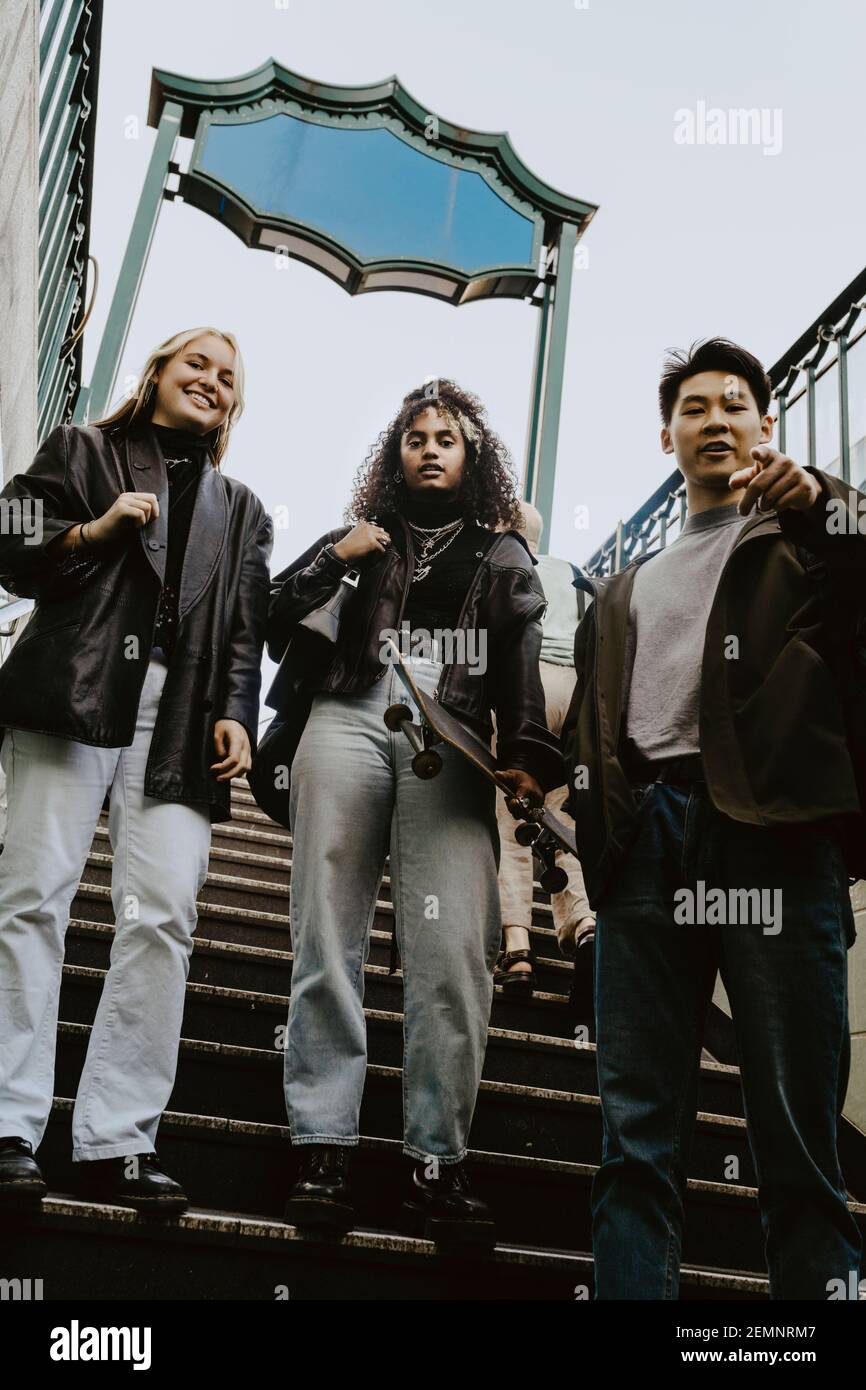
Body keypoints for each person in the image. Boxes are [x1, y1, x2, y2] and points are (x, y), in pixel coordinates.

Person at [563, 337, 865, 1300]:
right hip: (647, 847)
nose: (717, 419)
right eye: (695, 408)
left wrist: (821, 502)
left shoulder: (804, 544)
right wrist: (600, 841)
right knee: (634, 1142)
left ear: (765, 428)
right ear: (668, 437)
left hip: (771, 841)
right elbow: (592, 732)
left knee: (798, 1142)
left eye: (736, 404)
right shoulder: (621, 589)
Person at [265, 380, 563, 1247]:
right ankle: (322, 1145)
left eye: (447, 438)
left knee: (452, 951)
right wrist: (337, 555)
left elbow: (519, 659)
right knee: (326, 928)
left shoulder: (503, 550)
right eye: (414, 438)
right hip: (349, 705)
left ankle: (437, 1160)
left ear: (473, 458)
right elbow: (272, 615)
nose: (430, 448)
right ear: (394, 455)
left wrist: (527, 754)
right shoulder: (361, 539)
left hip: (453, 724)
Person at [0, 328, 272, 1213]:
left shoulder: (241, 508)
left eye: (228, 377)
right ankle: (9, 1124)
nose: (212, 380)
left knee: (161, 917)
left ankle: (119, 1137)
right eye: (196, 361)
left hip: (179, 722)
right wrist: (92, 528)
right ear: (156, 372)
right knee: (34, 895)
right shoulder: (84, 448)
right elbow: (11, 541)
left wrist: (236, 712)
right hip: (75, 687)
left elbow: (241, 630)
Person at [493, 501, 595, 996]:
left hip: (524, 690)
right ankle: (584, 923)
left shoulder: (501, 566)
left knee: (511, 821)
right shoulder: (575, 574)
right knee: (564, 818)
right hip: (575, 693)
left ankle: (517, 950)